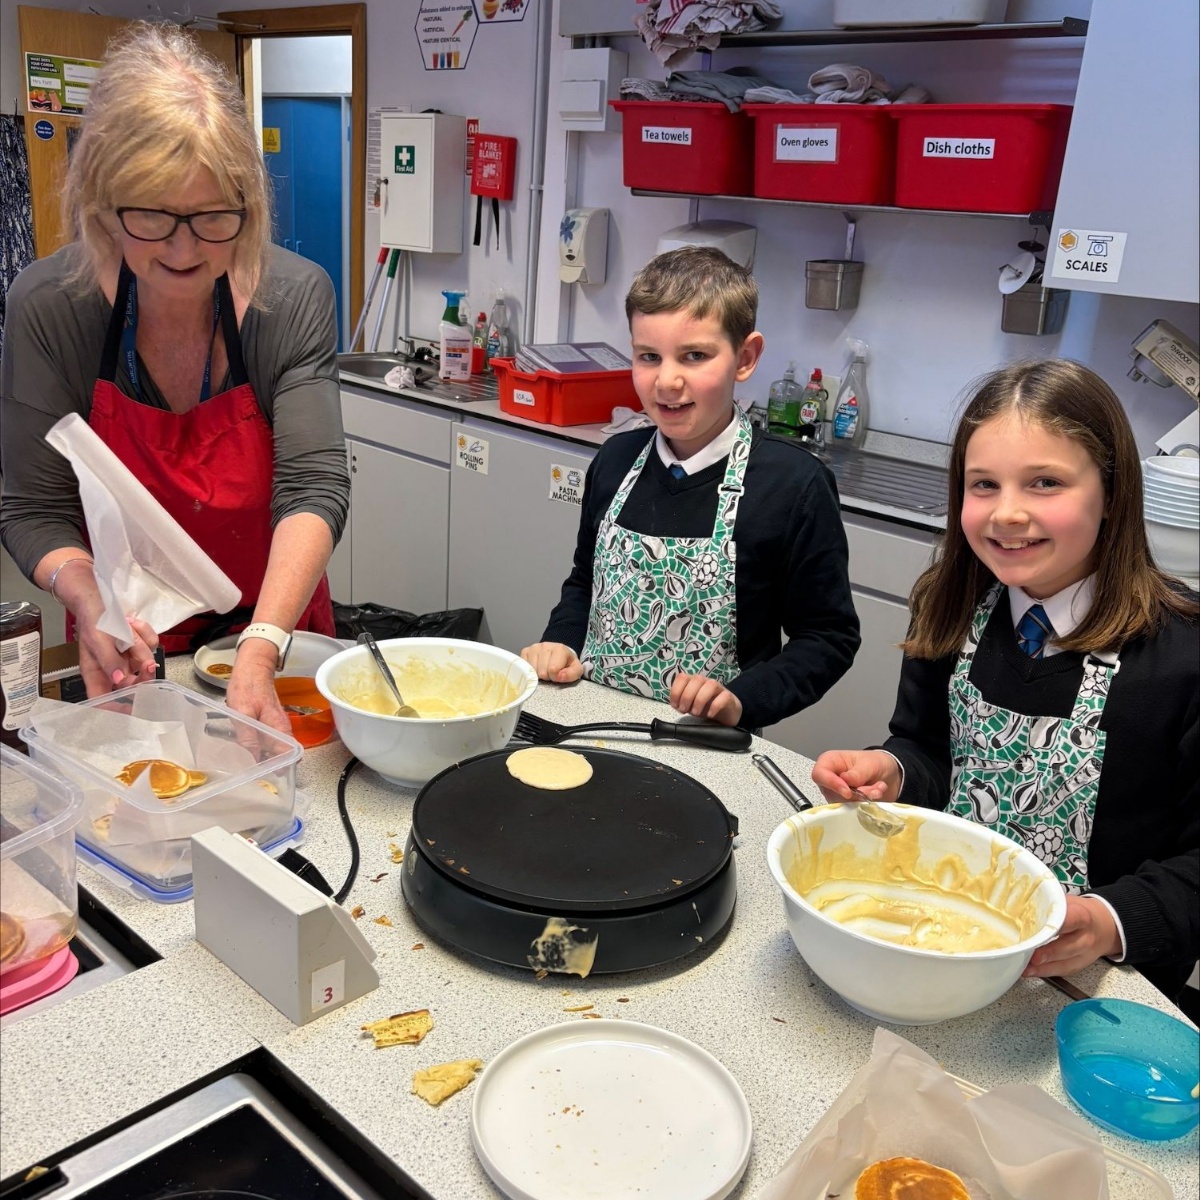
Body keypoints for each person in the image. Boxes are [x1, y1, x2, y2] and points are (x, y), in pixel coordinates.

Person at [813, 359, 1199, 1002]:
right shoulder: (952, 604)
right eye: (983, 485)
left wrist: (1104, 923)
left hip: (1096, 989)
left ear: (1111, 492)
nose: (1008, 514)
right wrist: (894, 770)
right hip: (948, 945)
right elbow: (930, 749)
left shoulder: (1181, 654)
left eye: (1045, 482)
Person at [0, 24, 349, 735]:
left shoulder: (292, 298)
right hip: (124, 640)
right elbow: (33, 509)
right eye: (153, 215)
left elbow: (314, 485)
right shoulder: (51, 310)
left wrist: (263, 644)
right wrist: (89, 601)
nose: (185, 250)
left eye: (214, 216)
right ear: (101, 203)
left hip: (271, 634)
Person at [521, 246, 859, 731]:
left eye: (695, 356)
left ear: (745, 357)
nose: (667, 381)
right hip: (589, 721)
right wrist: (561, 641)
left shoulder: (794, 485)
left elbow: (828, 637)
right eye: (648, 357)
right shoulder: (616, 461)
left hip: (708, 743)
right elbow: (583, 582)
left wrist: (740, 700)